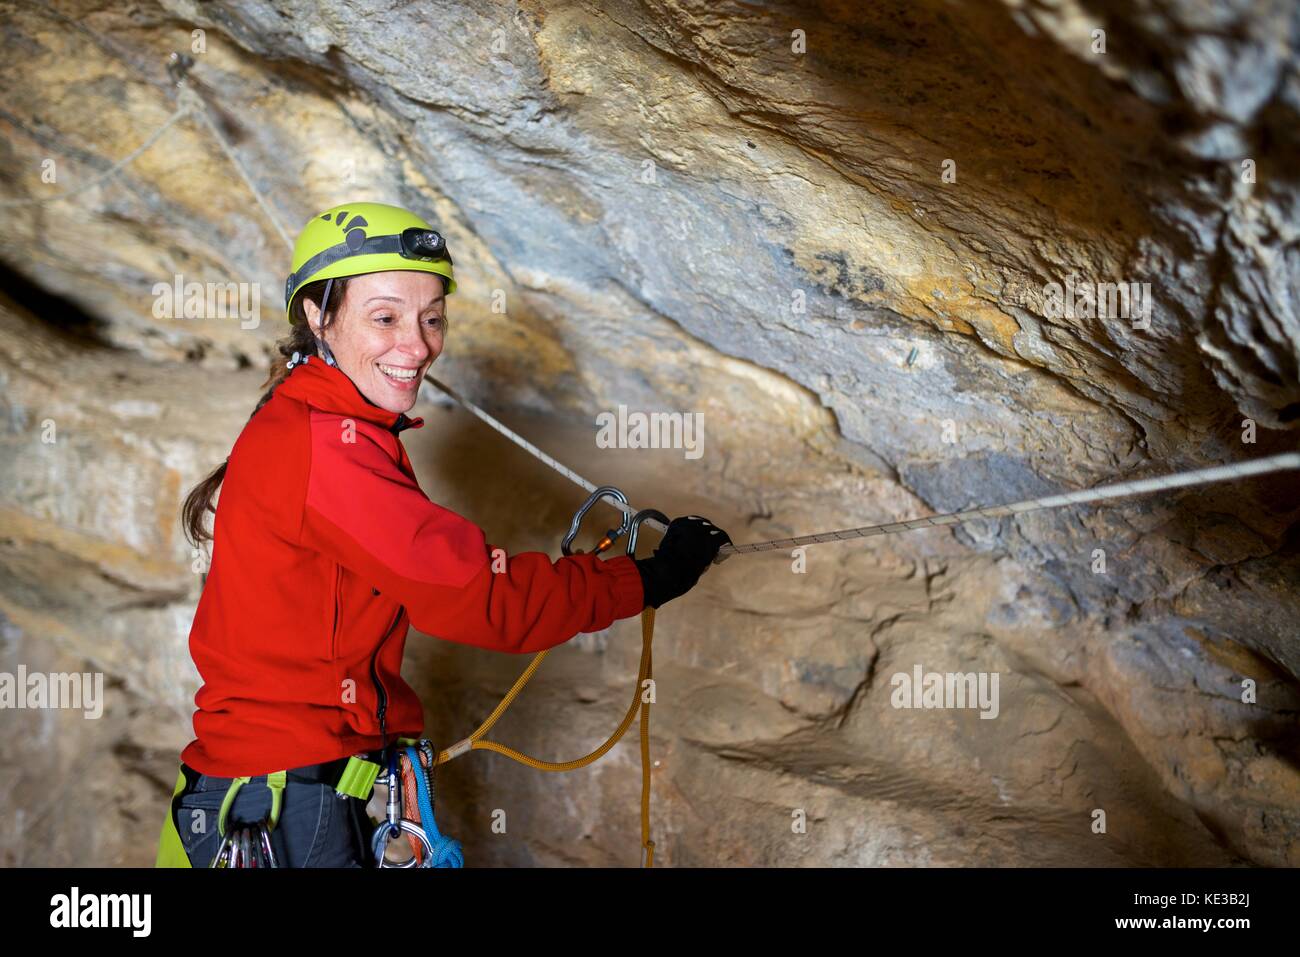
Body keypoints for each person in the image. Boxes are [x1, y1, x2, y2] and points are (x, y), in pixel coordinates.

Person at [154, 201, 731, 867]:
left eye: (433, 318)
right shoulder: (325, 445)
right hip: (286, 809)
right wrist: (647, 578)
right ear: (317, 315)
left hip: (277, 796)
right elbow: (483, 599)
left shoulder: (312, 422)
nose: (419, 344)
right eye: (385, 317)